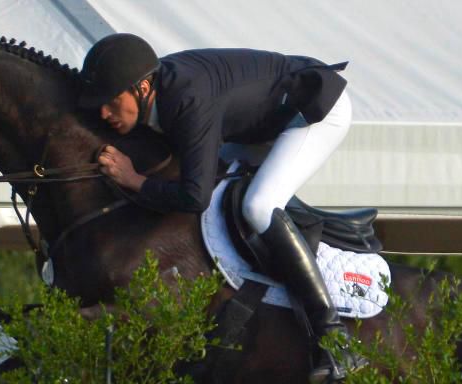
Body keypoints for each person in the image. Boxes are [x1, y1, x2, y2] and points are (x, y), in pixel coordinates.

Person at [80, 33, 367, 382]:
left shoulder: (185, 99)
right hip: (264, 122)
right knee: (228, 191)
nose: (103, 112)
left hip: (314, 110)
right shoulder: (165, 94)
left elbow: (193, 198)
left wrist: (134, 180)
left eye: (110, 100)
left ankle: (334, 340)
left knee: (259, 206)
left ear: (142, 88)